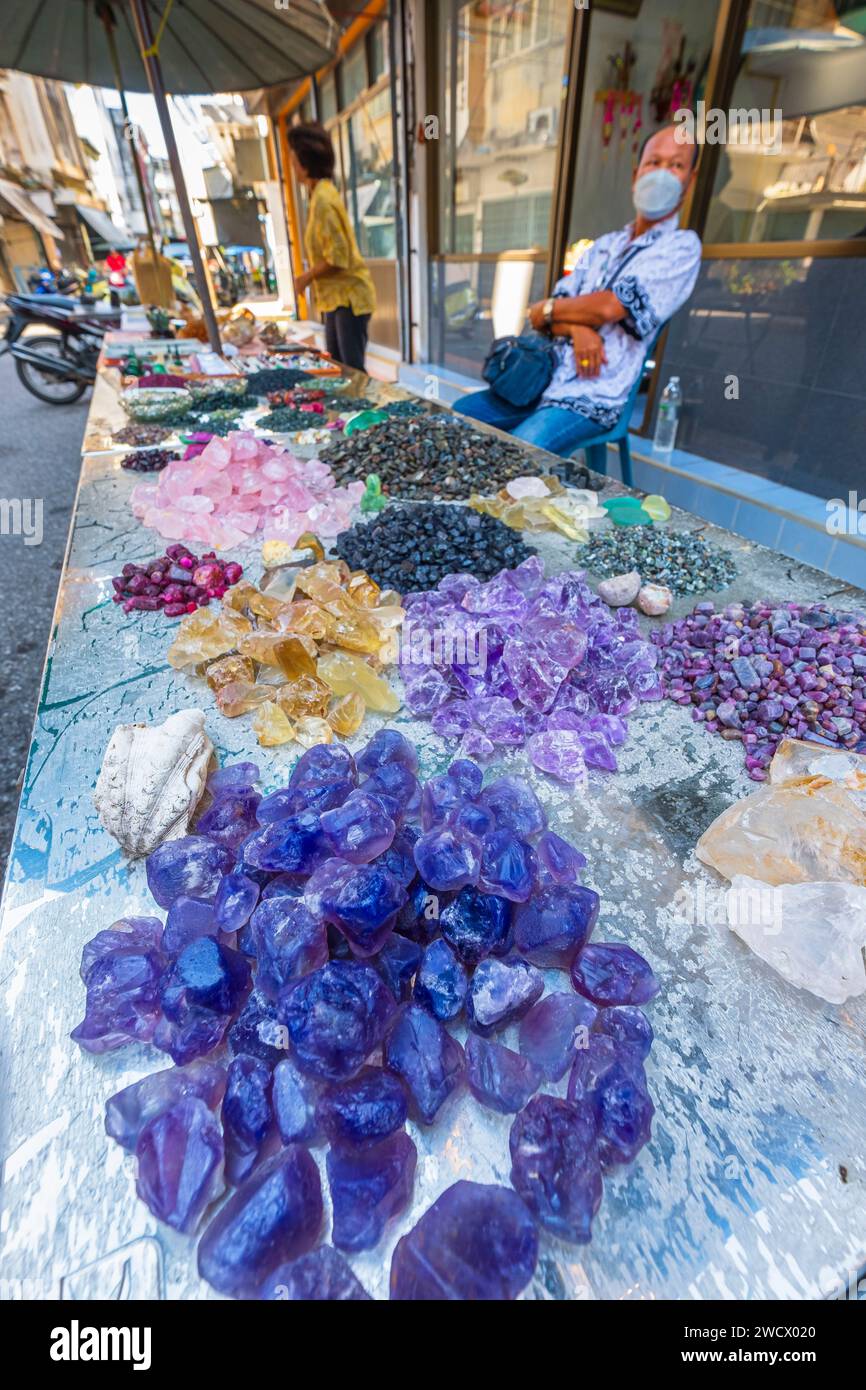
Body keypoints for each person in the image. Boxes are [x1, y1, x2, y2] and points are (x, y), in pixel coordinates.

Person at [455, 124, 703, 458]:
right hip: (541, 378)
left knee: (518, 455)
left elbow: (609, 307)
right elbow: (541, 316)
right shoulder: (603, 245)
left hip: (593, 396)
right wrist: (578, 329)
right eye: (654, 162)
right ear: (636, 175)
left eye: (676, 165)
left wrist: (555, 311)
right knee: (457, 419)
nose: (662, 174)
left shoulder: (681, 247)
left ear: (691, 179)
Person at [286, 121, 376, 371]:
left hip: (349, 297)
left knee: (352, 372)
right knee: (338, 367)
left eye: (294, 162)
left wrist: (305, 278)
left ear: (305, 163)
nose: (292, 168)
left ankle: (362, 399)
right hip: (336, 299)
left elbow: (338, 257)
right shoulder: (318, 195)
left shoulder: (324, 198)